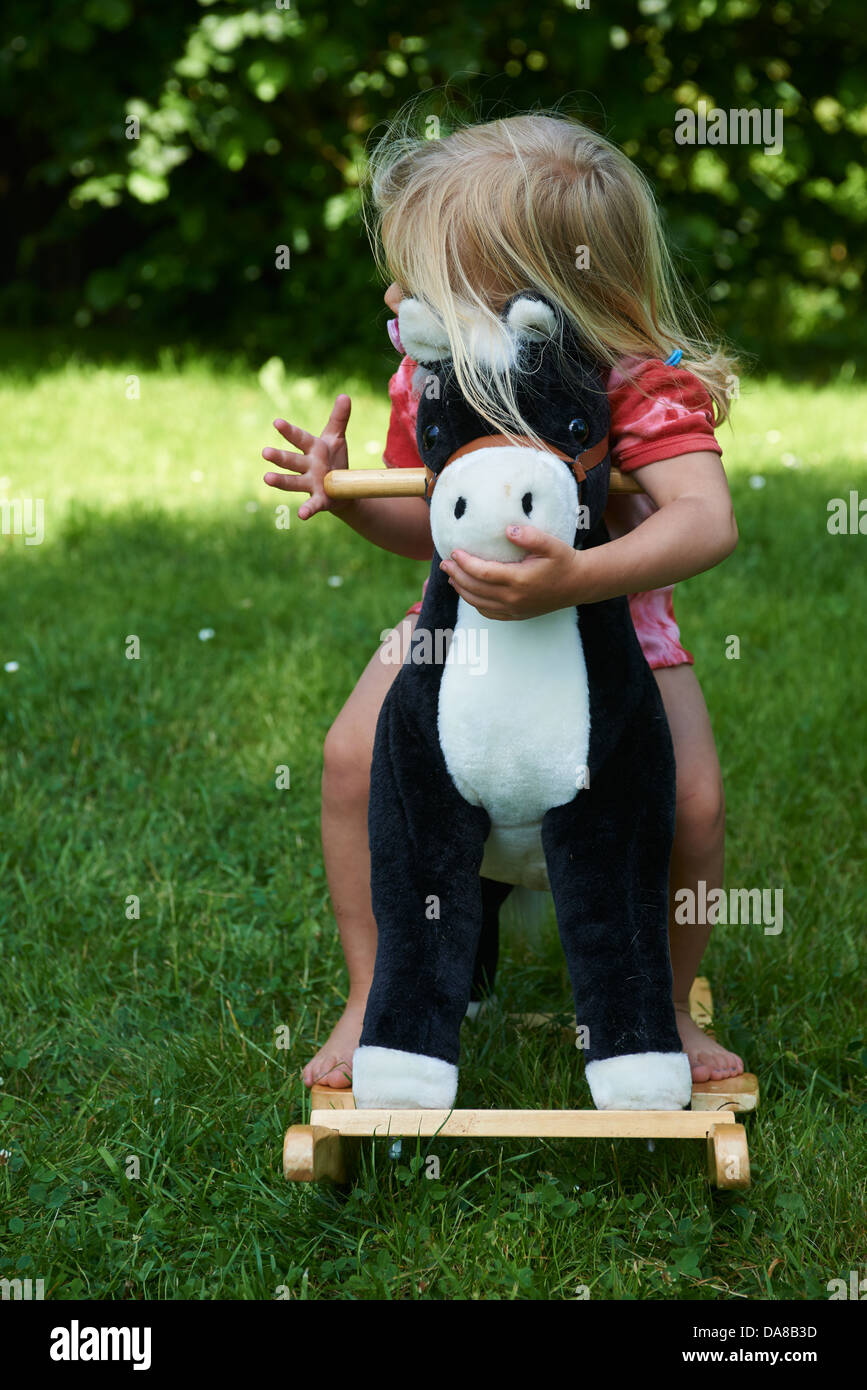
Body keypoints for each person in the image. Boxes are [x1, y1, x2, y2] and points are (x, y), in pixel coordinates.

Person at [262, 112, 745, 1092]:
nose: (398, 298)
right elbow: (428, 523)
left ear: (538, 288)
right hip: (462, 628)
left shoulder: (638, 382)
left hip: (618, 640)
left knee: (691, 804)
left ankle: (666, 1003)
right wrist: (350, 498)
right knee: (351, 759)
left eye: (426, 278)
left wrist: (578, 576)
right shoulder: (432, 375)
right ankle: (375, 992)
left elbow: (703, 521)